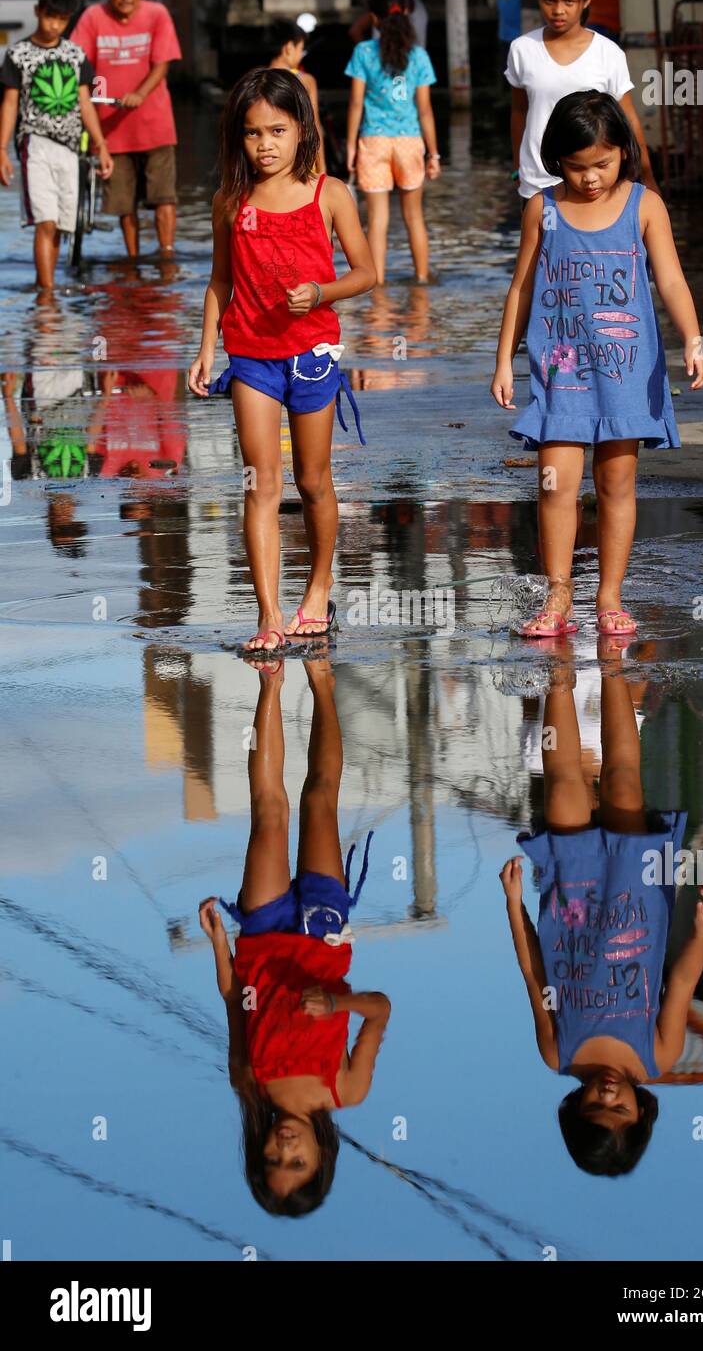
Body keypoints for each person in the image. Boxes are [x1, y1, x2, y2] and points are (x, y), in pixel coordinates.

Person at [491, 91, 703, 638]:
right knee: (554, 485)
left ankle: (609, 598)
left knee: (616, 484)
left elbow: (672, 280)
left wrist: (693, 337)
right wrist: (502, 360)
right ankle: (557, 600)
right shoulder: (544, 209)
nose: (590, 178)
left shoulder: (644, 205)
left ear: (624, 154)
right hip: (560, 371)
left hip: (628, 373)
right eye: (577, 166)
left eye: (603, 164)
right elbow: (520, 289)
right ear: (556, 159)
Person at [499, 645, 703, 1178]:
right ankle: (613, 660)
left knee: (565, 783)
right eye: (619, 1108)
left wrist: (514, 906)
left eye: (595, 1106)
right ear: (641, 1113)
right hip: (635, 900)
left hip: (570, 900)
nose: (608, 1094)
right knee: (622, 779)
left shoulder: (559, 1055)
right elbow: (683, 983)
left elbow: (533, 973)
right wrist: (701, 932)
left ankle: (557, 665)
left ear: (575, 1109)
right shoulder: (656, 1057)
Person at [187, 68, 375, 653]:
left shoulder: (330, 194)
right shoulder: (230, 201)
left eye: (276, 130)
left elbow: (366, 274)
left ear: (302, 131)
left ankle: (318, 589)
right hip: (251, 357)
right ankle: (268, 613)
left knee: (312, 480)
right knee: (259, 485)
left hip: (313, 357)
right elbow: (220, 281)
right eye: (251, 133)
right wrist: (206, 348)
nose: (264, 144)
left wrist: (320, 293)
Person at [199, 655, 390, 1217]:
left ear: (255, 1153)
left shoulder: (248, 1084)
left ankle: (270, 681)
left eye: (271, 1162)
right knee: (318, 801)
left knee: (269, 815)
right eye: (298, 1163)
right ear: (322, 1158)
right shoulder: (345, 1091)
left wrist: (218, 940)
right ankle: (324, 682)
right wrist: (336, 1003)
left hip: (260, 937)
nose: (284, 1151)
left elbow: (236, 1003)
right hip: (321, 936)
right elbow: (379, 1010)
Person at [506, 0, 657, 200]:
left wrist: (646, 175)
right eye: (549, 0)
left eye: (568, 1)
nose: (558, 10)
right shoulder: (522, 49)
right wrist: (518, 168)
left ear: (586, 0)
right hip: (538, 182)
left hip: (594, 181)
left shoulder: (608, 53)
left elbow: (628, 117)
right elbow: (519, 111)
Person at [0, 0, 113, 290]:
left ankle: (44, 290)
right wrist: (1, 151)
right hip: (34, 144)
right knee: (45, 222)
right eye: (50, 17)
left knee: (62, 226)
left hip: (70, 147)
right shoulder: (18, 54)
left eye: (62, 19)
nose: (54, 25)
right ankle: (47, 296)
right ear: (38, 11)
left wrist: (101, 145)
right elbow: (10, 103)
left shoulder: (75, 55)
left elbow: (85, 103)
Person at [71, 0, 182, 257]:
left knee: (164, 197)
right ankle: (132, 259)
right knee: (124, 203)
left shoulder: (157, 14)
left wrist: (139, 94)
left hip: (155, 125)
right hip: (110, 130)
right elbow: (76, 61)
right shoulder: (93, 16)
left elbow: (162, 63)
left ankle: (167, 255)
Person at [346, 0, 439, 285]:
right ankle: (422, 280)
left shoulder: (363, 52)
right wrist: (433, 153)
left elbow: (356, 104)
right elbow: (425, 110)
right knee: (414, 218)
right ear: (406, 12)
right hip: (410, 141)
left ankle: (377, 285)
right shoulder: (419, 56)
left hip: (373, 141)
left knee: (377, 222)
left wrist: (351, 147)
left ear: (373, 17)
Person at [265, 18, 326, 172]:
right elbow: (314, 125)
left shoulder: (258, 80)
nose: (301, 55)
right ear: (289, 47)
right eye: (300, 49)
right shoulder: (305, 80)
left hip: (268, 156)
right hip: (299, 158)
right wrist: (322, 167)